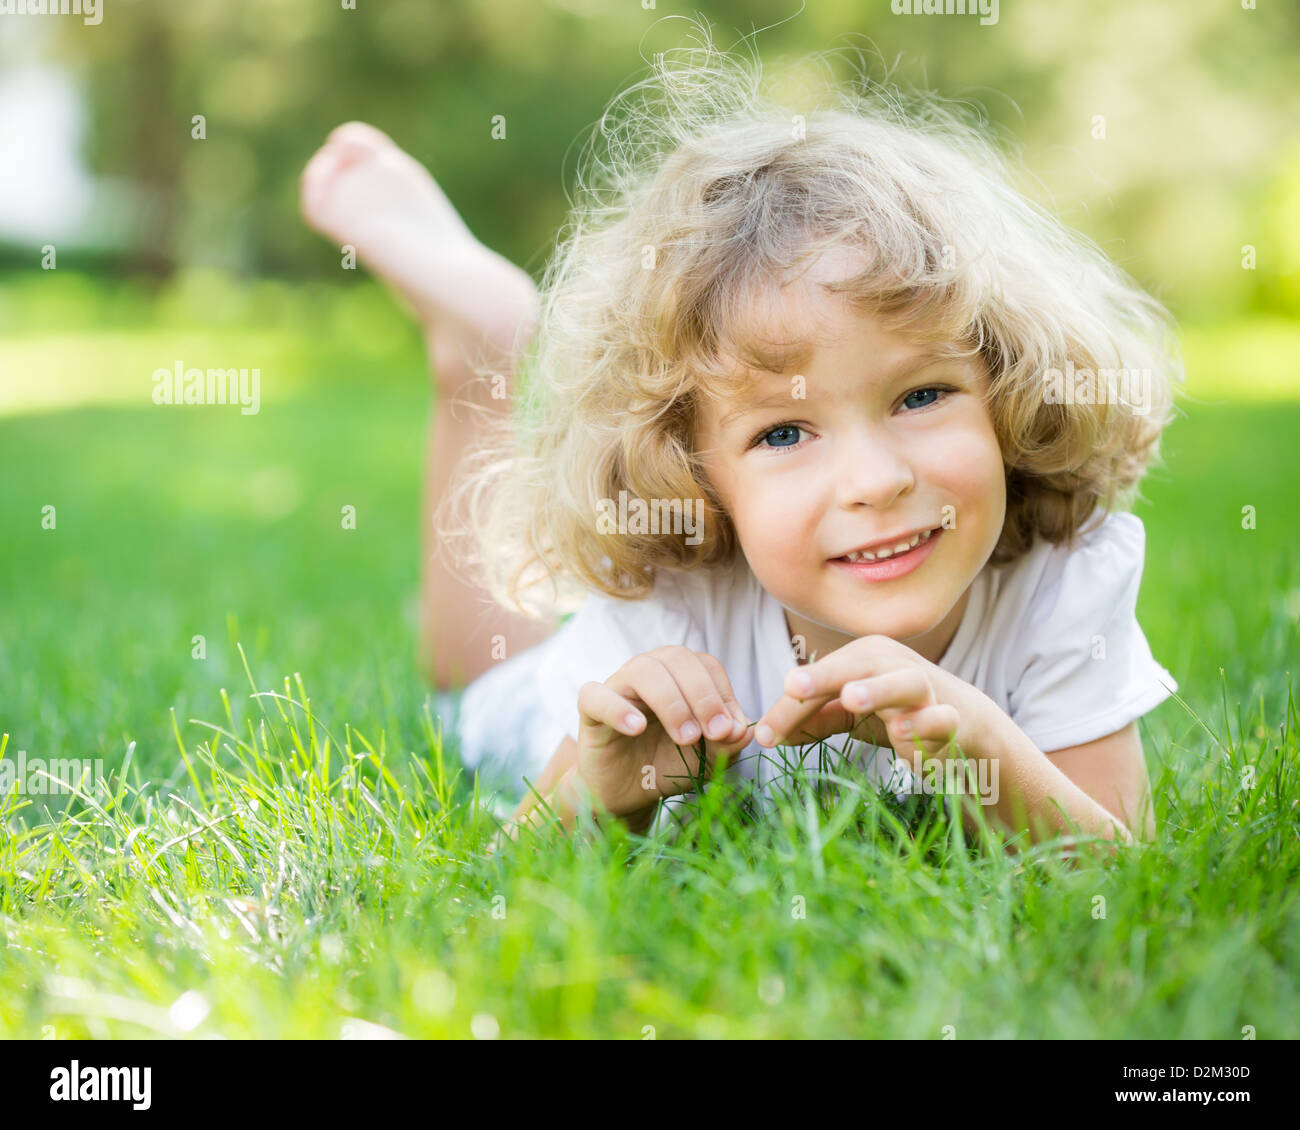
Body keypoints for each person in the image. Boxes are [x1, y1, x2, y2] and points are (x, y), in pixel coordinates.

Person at [300, 43, 1180, 851]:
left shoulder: (1066, 575)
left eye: (921, 395)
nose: (876, 480)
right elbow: (504, 872)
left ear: (1008, 386)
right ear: (695, 473)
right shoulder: (674, 607)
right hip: (558, 702)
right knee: (478, 682)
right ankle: (481, 355)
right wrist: (602, 794)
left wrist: (983, 745)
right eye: (785, 432)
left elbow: (1123, 874)